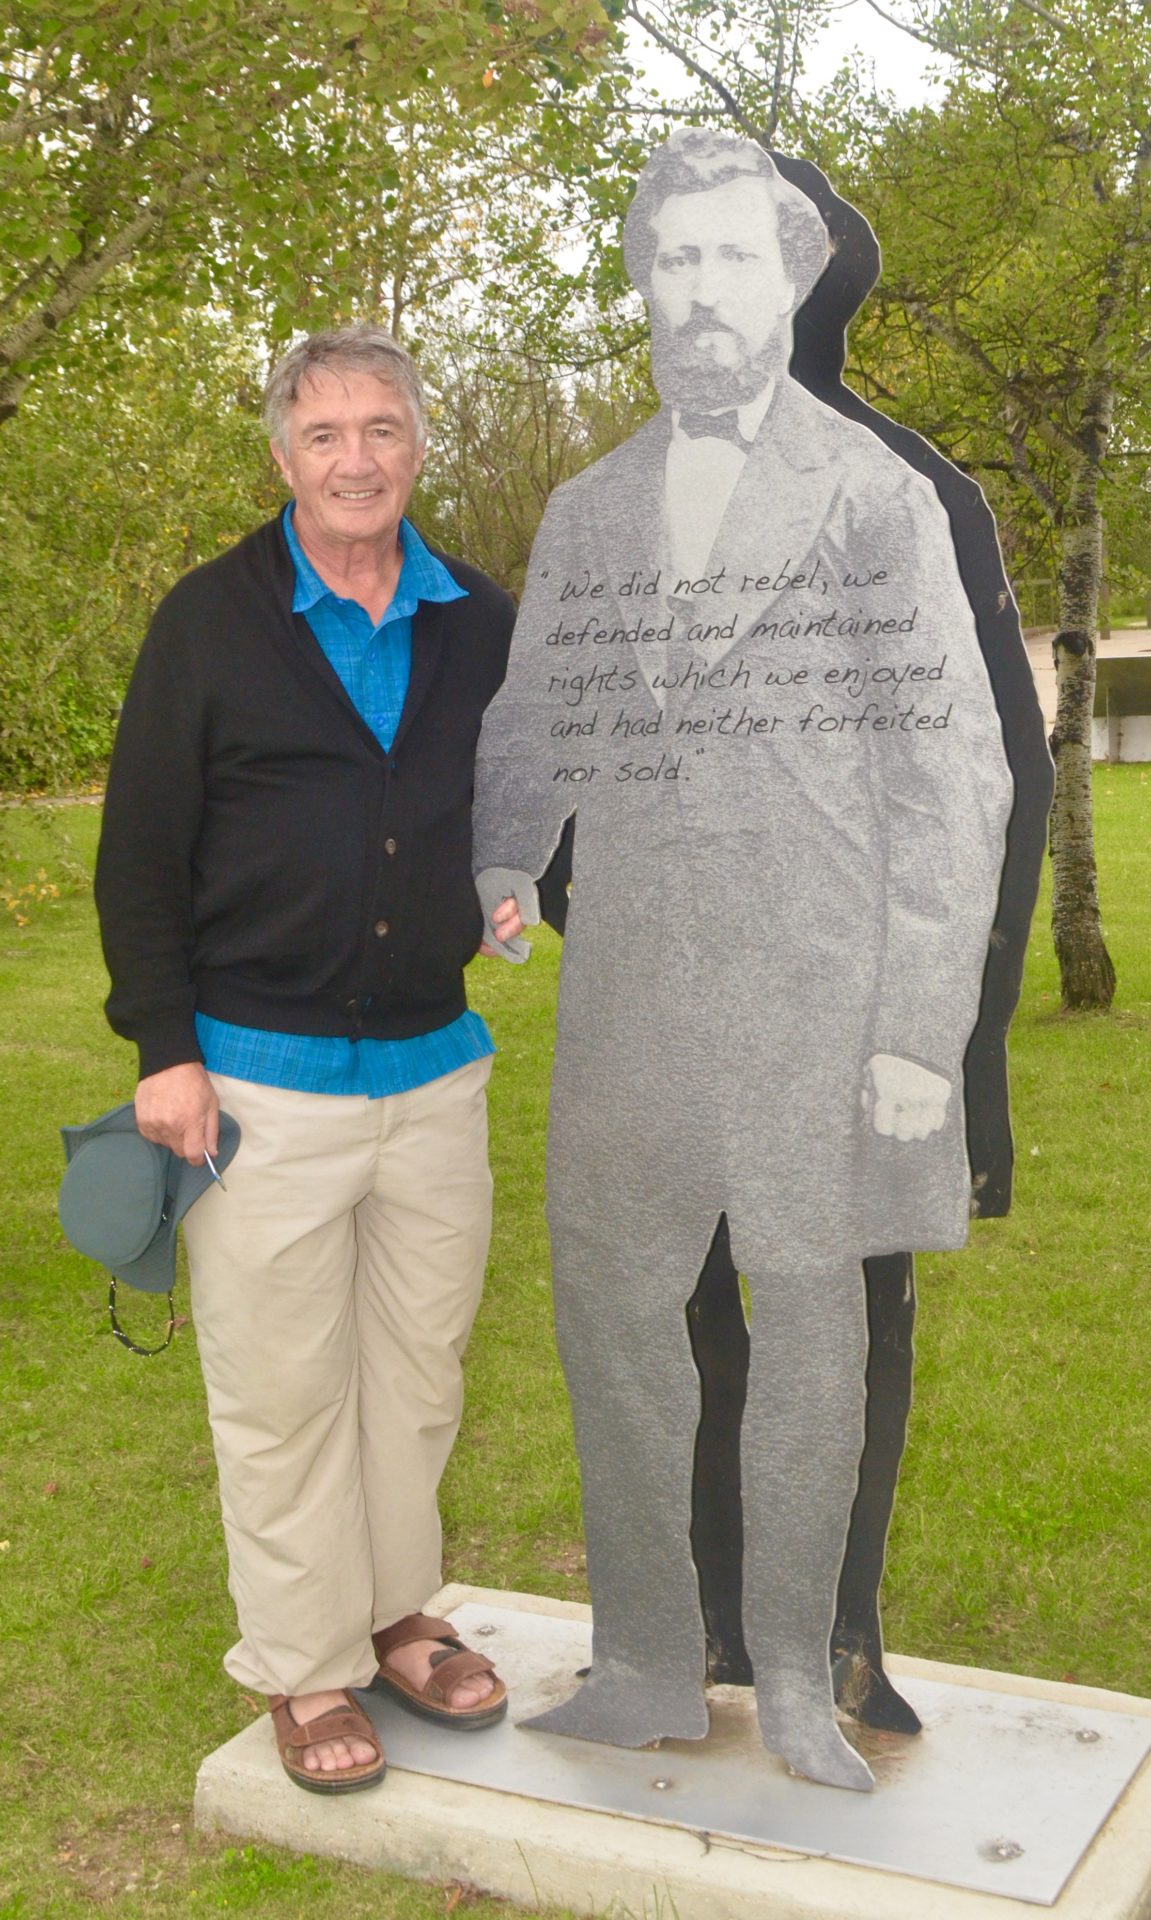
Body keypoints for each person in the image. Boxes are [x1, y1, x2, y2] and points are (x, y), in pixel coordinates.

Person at [474, 132, 1015, 1791]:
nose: (700, 290)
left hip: (818, 999)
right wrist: (505, 851)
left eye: (730, 257)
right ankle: (646, 1659)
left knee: (809, 1327)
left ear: (788, 280)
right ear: (645, 283)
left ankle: (791, 1672)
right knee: (612, 1318)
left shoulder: (876, 500)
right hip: (631, 998)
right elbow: (540, 711)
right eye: (674, 258)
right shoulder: (589, 507)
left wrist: (918, 1024)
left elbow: (954, 775)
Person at [95, 325, 523, 1794]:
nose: (356, 461)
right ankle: (304, 1666)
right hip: (256, 1081)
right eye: (325, 434)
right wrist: (164, 1048)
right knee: (281, 1393)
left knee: (416, 1377)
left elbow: (529, 807)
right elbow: (140, 853)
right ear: (283, 455)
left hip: (434, 1071)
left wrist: (523, 884)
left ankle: (395, 1615)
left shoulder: (481, 620)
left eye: (382, 430)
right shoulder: (210, 621)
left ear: (420, 446)